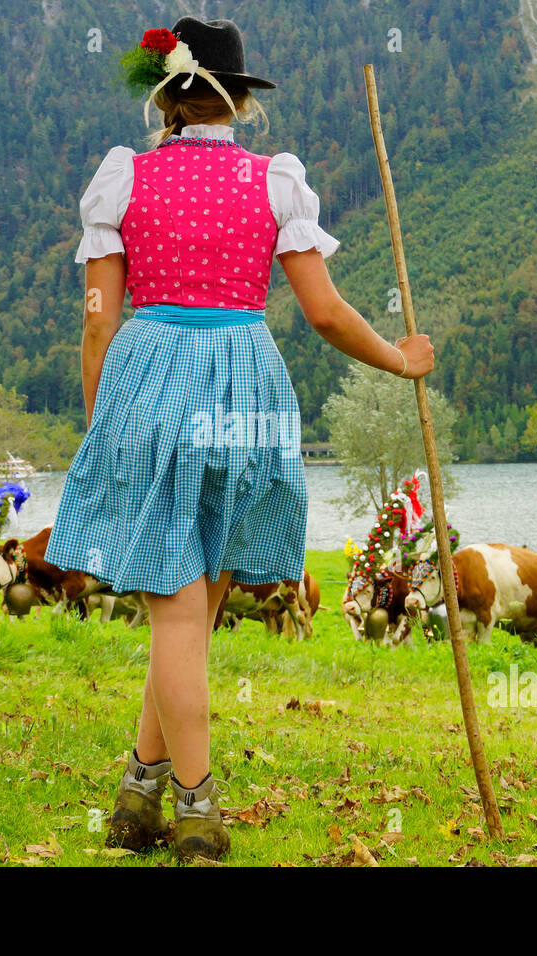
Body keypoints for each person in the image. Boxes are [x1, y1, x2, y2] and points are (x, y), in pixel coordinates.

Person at [45, 17, 433, 861]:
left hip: (148, 378)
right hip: (243, 386)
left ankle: (154, 796)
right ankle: (185, 803)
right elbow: (325, 312)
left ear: (167, 101)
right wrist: (399, 359)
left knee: (181, 614)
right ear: (238, 101)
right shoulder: (273, 183)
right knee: (191, 608)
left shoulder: (125, 181)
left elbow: (98, 321)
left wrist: (100, 420)